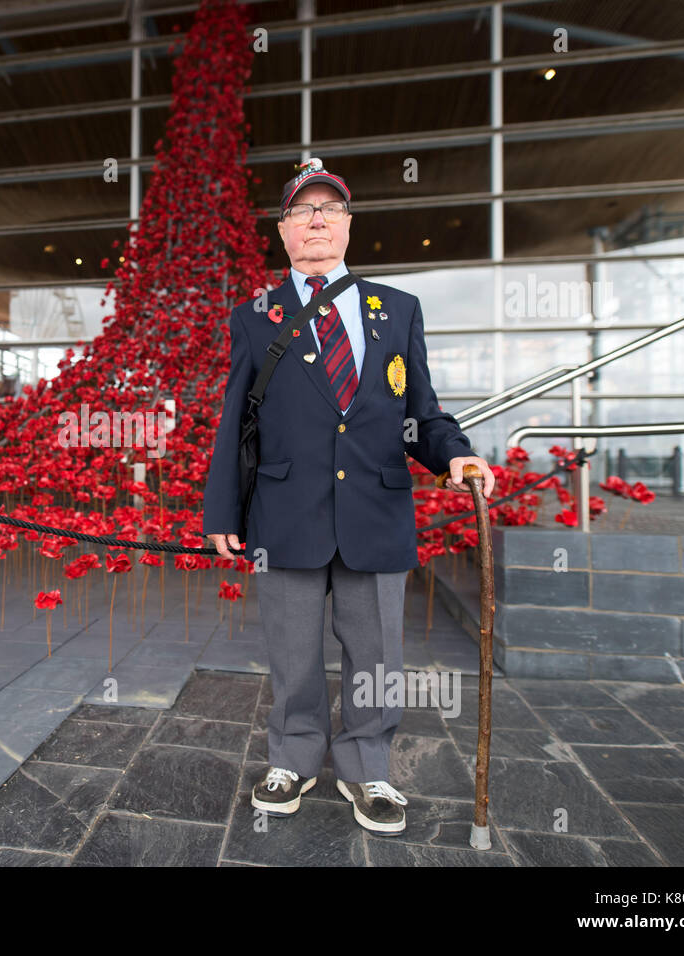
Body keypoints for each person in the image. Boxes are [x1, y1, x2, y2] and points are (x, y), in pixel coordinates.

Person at [202, 159, 494, 835]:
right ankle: (293, 758)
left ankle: (368, 766)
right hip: (285, 514)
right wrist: (223, 511)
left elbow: (421, 411)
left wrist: (454, 454)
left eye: (330, 209)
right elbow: (235, 421)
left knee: (377, 655)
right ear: (283, 230)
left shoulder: (397, 309)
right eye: (303, 210)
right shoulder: (254, 317)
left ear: (348, 225)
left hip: (376, 511)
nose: (317, 220)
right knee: (292, 652)